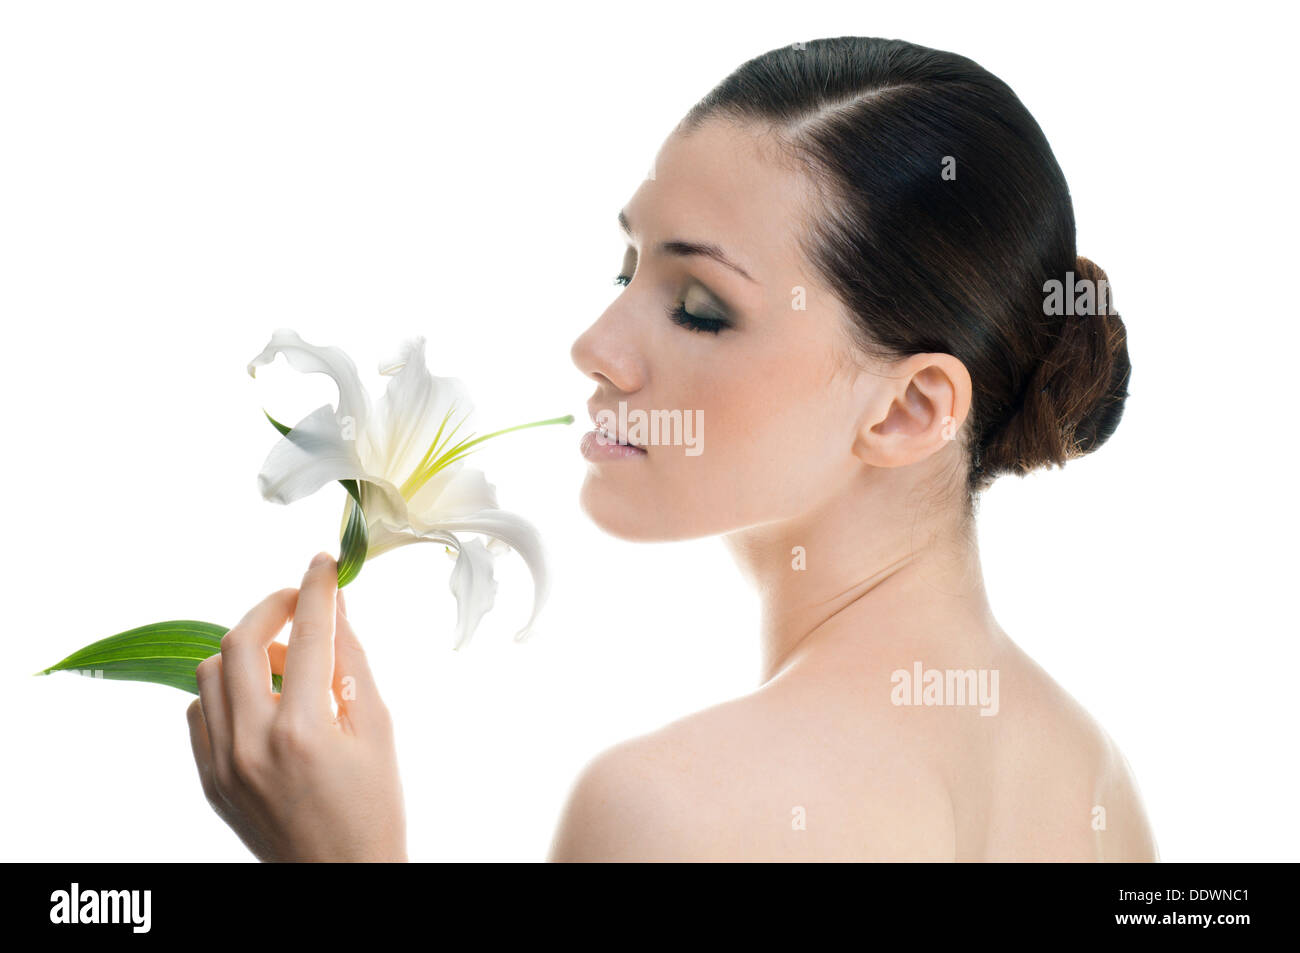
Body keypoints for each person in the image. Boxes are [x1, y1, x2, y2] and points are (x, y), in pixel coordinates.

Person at [186, 36, 1157, 862]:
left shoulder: (667, 812)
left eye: (699, 307)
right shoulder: (1097, 782)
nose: (595, 347)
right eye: (626, 266)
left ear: (907, 409)